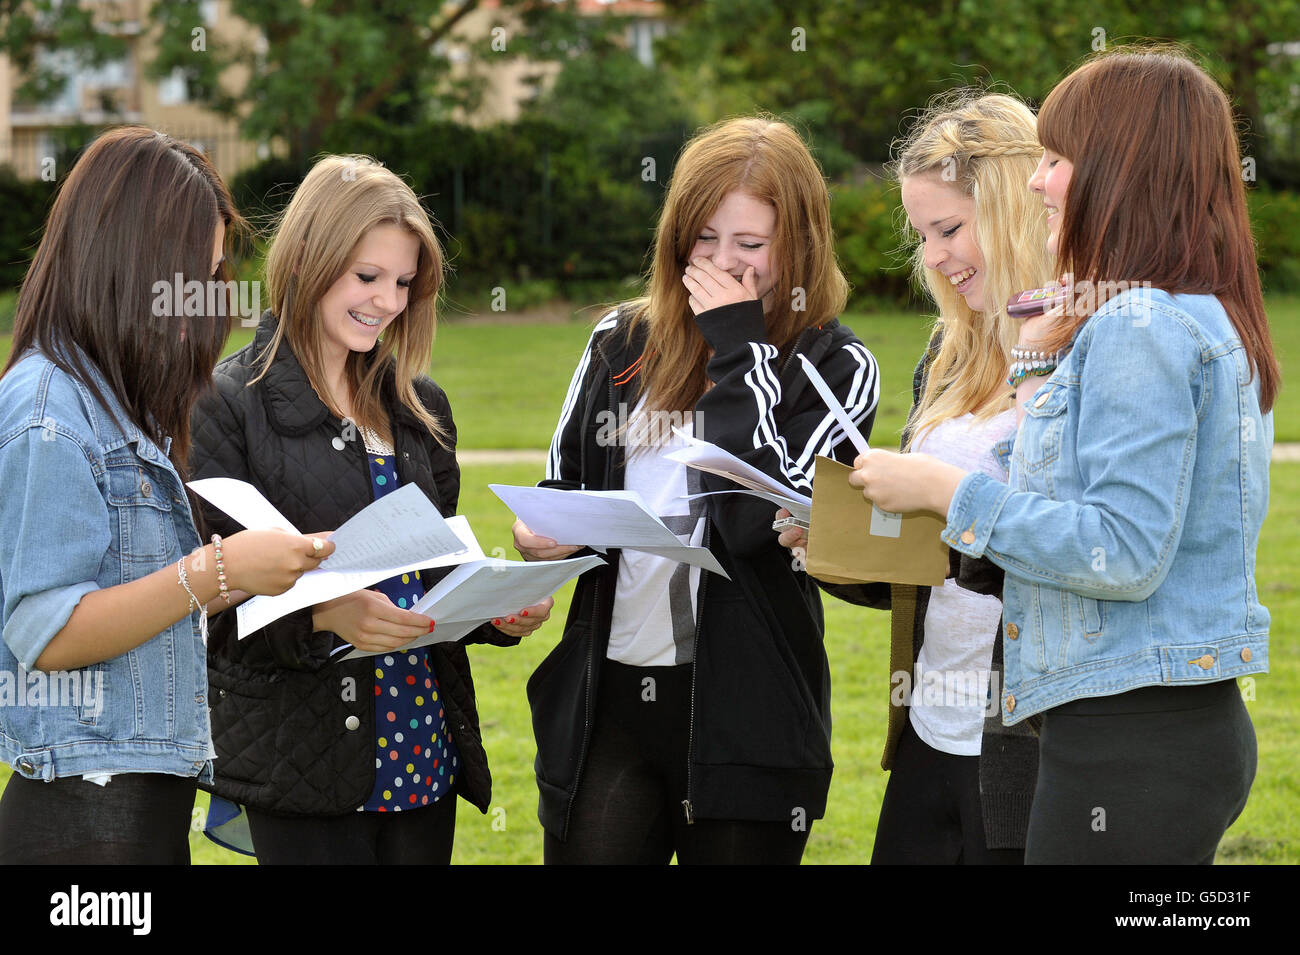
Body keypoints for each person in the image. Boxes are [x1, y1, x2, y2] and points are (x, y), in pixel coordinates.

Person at [849, 49, 1278, 864]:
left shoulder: (1136, 323)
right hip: (1162, 724)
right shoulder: (1189, 309)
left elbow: (1117, 551)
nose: (1038, 181)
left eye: (1054, 159)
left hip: (1129, 734)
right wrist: (1042, 362)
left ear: (1119, 168)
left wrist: (945, 490)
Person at [514, 117, 880, 864]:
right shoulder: (621, 341)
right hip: (611, 698)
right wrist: (543, 536)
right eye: (703, 240)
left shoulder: (836, 364)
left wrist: (738, 348)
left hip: (748, 713)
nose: (721, 263)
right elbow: (568, 484)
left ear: (799, 242)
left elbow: (760, 521)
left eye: (749, 245)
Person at [189, 154, 549, 864]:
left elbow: (433, 575)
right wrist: (325, 615)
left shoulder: (420, 406)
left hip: (423, 749)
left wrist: (495, 607)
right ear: (307, 261)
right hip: (304, 759)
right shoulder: (226, 404)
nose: (387, 300)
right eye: (367, 276)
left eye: (404, 282)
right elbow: (213, 605)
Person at [0, 127, 331, 864]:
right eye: (190, 273)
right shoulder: (50, 409)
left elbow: (135, 599)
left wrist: (259, 575)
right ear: (127, 261)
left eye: (213, 275)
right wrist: (219, 570)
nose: (202, 299)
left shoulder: (119, 401)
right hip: (82, 822)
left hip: (137, 810)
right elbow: (45, 630)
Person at [780, 92, 1055, 863]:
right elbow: (926, 567)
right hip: (929, 725)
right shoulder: (947, 351)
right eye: (923, 234)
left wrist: (941, 498)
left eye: (950, 229)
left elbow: (1078, 548)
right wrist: (832, 543)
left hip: (1025, 739)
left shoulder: (1082, 347)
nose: (932, 256)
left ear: (1013, 210)